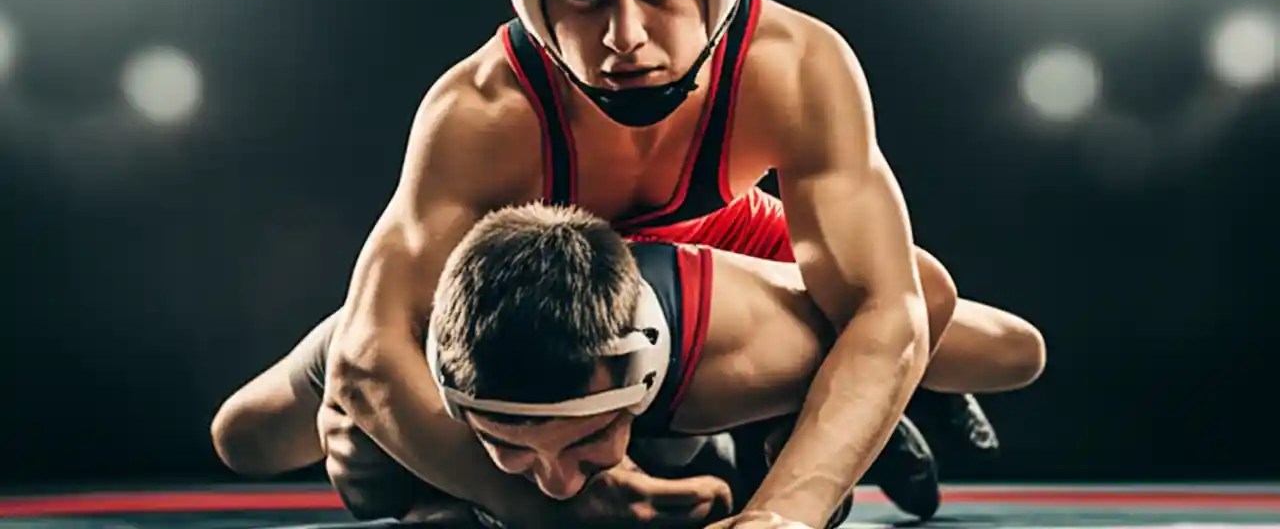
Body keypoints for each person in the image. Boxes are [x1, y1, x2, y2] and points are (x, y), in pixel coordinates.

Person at [313, 0, 1046, 526]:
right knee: (269, 428)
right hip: (557, 280)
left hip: (722, 235)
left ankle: (840, 410)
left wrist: (788, 510)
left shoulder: (793, 67)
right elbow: (369, 358)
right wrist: (540, 505)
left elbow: (889, 312)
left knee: (1003, 348)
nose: (624, 39)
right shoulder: (482, 110)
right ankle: (826, 407)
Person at [213, 203, 1044, 528]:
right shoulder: (390, 349)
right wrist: (349, 407)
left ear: (639, 385)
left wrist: (865, 375)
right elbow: (240, 439)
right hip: (528, 257)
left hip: (710, 239)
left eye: (584, 444)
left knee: (968, 350)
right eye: (505, 445)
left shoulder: (736, 343)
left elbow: (951, 312)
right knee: (318, 450)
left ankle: (888, 401)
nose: (557, 481)